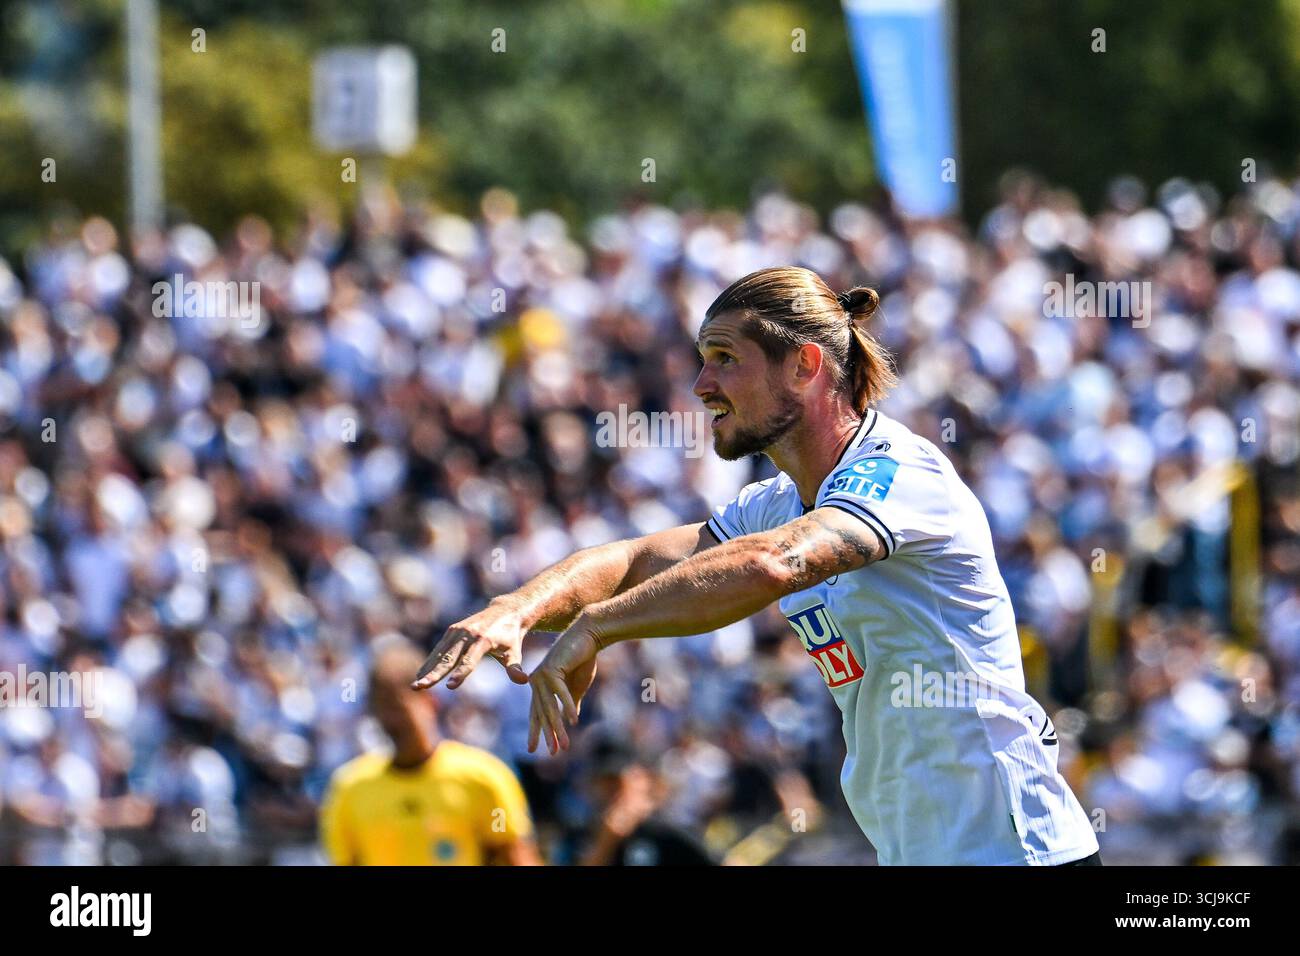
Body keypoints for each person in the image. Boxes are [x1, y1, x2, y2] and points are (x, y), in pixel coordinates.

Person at [413, 266, 1101, 866]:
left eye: (724, 358)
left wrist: (598, 627)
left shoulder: (898, 472)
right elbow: (636, 561)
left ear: (804, 365)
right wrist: (520, 608)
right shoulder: (775, 503)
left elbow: (774, 564)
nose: (701, 384)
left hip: (1016, 849)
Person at [322, 635, 540, 865]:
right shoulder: (350, 788)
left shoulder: (482, 778)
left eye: (398, 708)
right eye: (381, 708)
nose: (390, 721)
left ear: (429, 700)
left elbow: (515, 856)